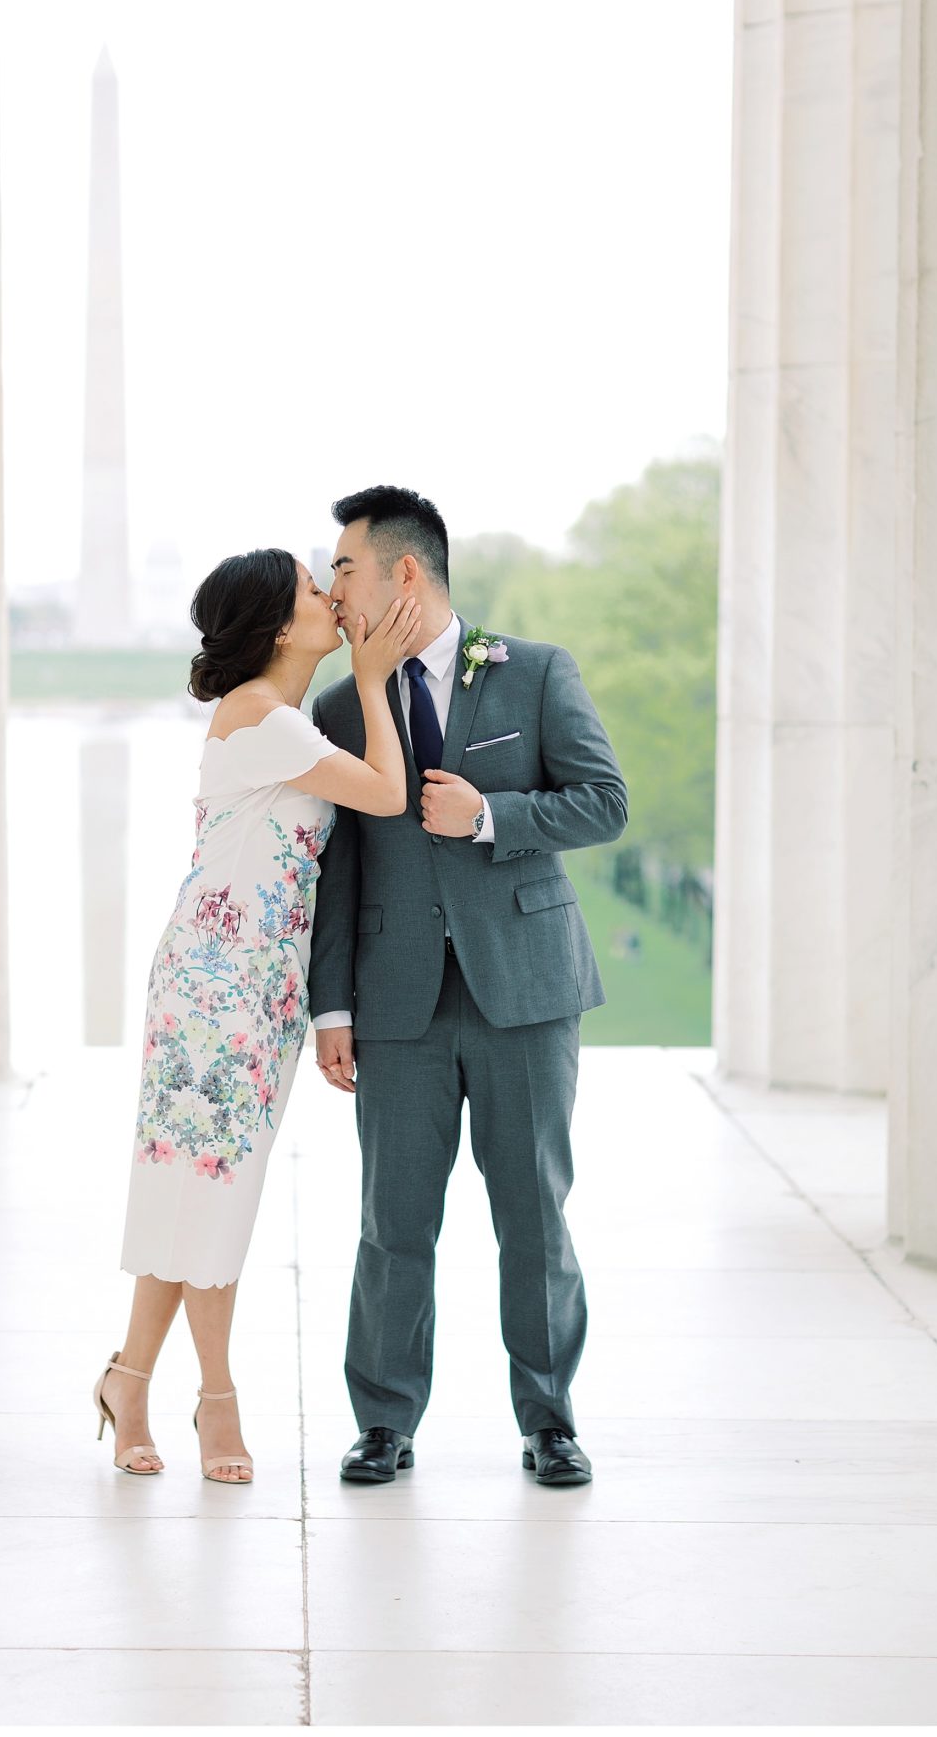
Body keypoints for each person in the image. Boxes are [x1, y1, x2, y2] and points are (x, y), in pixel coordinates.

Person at [308, 485, 628, 1486]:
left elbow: (602, 801)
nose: (332, 588)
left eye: (344, 567)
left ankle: (549, 1420)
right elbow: (334, 868)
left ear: (404, 571)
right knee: (391, 1222)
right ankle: (382, 1421)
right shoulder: (336, 708)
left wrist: (490, 814)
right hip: (394, 1000)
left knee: (532, 1215)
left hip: (523, 991)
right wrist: (331, 1006)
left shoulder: (533, 672)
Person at [95, 550, 423, 1482]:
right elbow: (389, 794)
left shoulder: (279, 720)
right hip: (214, 988)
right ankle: (216, 1399)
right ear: (281, 626)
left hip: (257, 986)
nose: (333, 597)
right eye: (316, 591)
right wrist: (372, 680)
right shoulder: (261, 717)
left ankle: (127, 1381)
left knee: (194, 1191)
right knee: (214, 1192)